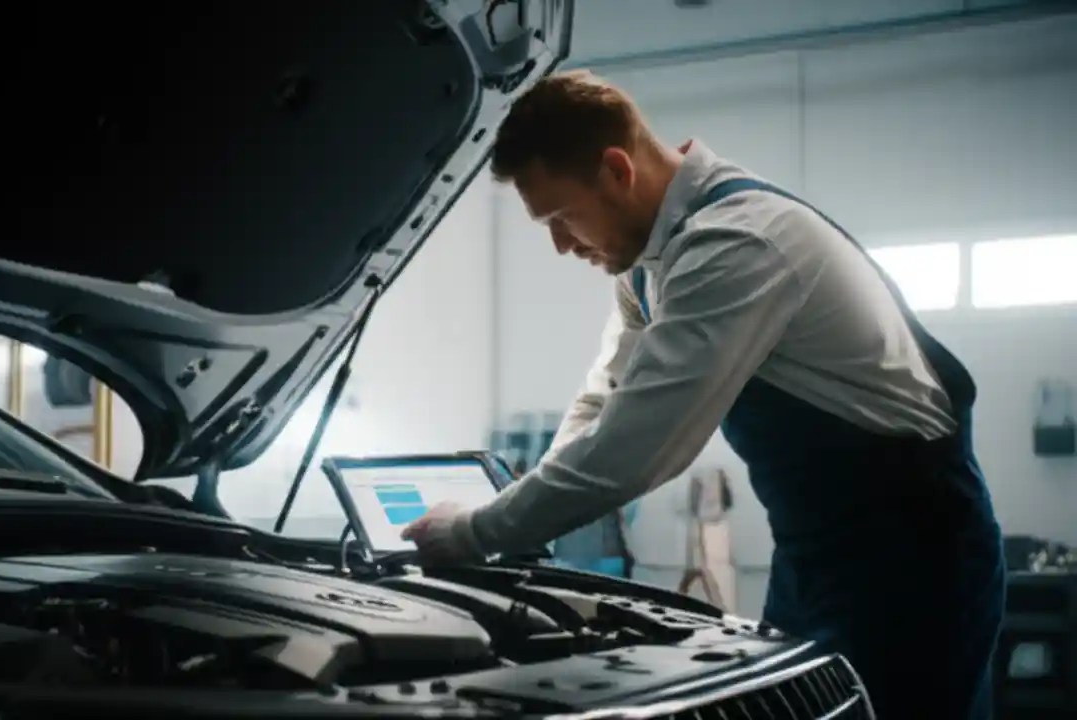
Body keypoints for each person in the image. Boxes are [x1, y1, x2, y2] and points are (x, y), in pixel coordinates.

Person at [401, 70, 1005, 719]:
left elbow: (635, 451)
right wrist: (521, 514)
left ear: (616, 170)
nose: (560, 245)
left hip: (914, 560)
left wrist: (473, 532)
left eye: (561, 216)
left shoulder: (738, 244)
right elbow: (605, 404)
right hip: (814, 555)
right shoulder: (649, 269)